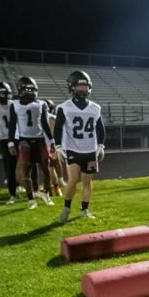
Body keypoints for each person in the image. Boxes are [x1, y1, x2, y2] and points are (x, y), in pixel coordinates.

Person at [55, 70, 105, 223]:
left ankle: (84, 209)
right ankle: (66, 207)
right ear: (72, 87)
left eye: (85, 86)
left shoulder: (95, 108)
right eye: (79, 86)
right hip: (73, 148)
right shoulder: (64, 107)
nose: (82, 89)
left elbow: (100, 128)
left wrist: (101, 145)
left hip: (90, 150)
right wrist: (58, 147)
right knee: (73, 180)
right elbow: (57, 128)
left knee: (87, 182)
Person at [7, 76, 54, 210]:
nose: (28, 92)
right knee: (26, 172)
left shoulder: (41, 104)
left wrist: (51, 141)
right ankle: (31, 199)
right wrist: (11, 143)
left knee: (47, 170)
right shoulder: (14, 105)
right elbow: (11, 125)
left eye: (30, 89)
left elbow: (45, 124)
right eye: (26, 89)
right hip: (24, 141)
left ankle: (46, 194)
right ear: (20, 90)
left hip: (39, 141)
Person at [44, 98, 65, 197]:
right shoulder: (52, 117)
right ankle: (56, 188)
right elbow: (56, 132)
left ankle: (50, 189)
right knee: (52, 167)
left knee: (48, 168)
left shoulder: (42, 117)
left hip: (42, 145)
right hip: (51, 144)